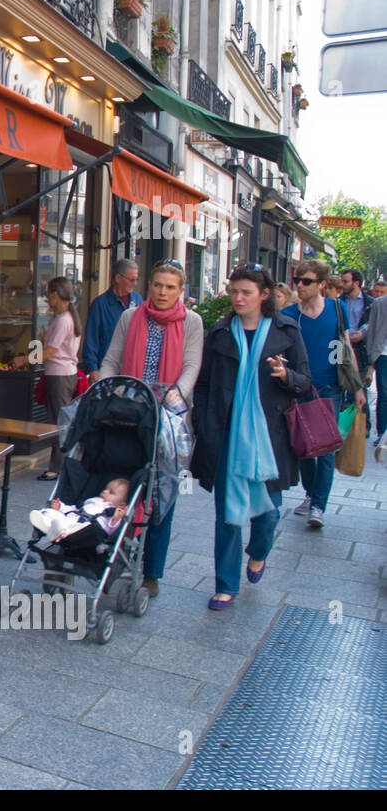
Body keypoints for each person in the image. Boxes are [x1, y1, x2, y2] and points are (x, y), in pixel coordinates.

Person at [191, 264, 312, 610]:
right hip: (225, 434)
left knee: (269, 514)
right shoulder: (221, 333)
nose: (239, 297)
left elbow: (305, 382)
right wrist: (202, 422)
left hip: (269, 438)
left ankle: (258, 552)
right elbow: (204, 384)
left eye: (246, 292)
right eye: (234, 291)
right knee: (227, 515)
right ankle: (226, 584)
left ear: (264, 295)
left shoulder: (286, 331)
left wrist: (285, 375)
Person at [96, 259, 203, 598]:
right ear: (149, 285)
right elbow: (113, 357)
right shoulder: (130, 316)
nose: (162, 292)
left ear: (181, 291)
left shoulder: (192, 323)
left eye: (170, 287)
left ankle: (153, 571)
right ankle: (118, 556)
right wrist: (104, 384)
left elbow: (191, 365)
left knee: (160, 493)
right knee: (123, 486)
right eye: (157, 285)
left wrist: (176, 394)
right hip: (127, 415)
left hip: (167, 420)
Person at [282, 261, 366, 529]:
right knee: (304, 449)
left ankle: (319, 504)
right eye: (297, 280)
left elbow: (342, 347)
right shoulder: (289, 314)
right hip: (300, 387)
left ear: (321, 284)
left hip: (330, 386)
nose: (300, 285)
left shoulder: (336, 309)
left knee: (326, 450)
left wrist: (356, 386)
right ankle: (310, 493)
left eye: (306, 281)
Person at [38, 276, 82, 481]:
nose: (47, 298)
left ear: (55, 294)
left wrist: (24, 359)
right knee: (61, 419)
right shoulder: (66, 318)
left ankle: (57, 466)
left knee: (57, 422)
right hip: (65, 372)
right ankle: (61, 463)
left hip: (59, 374)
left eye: (49, 294)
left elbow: (50, 352)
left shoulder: (63, 320)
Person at [82, 258, 142, 378]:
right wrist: (93, 369)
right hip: (107, 369)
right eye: (131, 280)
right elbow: (91, 339)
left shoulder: (138, 300)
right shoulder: (100, 304)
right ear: (118, 278)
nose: (135, 283)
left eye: (136, 280)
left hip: (133, 369)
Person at [29, 478, 130, 548]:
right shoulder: (93, 500)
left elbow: (109, 530)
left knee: (70, 525)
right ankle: (45, 520)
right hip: (72, 518)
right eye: (105, 489)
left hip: (86, 529)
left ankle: (56, 529)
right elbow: (75, 509)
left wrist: (115, 520)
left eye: (111, 492)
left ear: (121, 503)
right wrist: (61, 507)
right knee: (50, 513)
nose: (105, 492)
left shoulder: (112, 511)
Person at [339, 268, 375, 383]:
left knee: (358, 385)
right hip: (340, 347)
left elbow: (374, 323)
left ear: (356, 283)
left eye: (345, 281)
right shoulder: (338, 302)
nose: (342, 285)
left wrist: (363, 333)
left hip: (360, 349)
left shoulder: (370, 303)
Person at [362, 285, 387, 445]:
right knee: (384, 394)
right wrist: (371, 356)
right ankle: (382, 433)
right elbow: (372, 330)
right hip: (383, 353)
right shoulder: (379, 303)